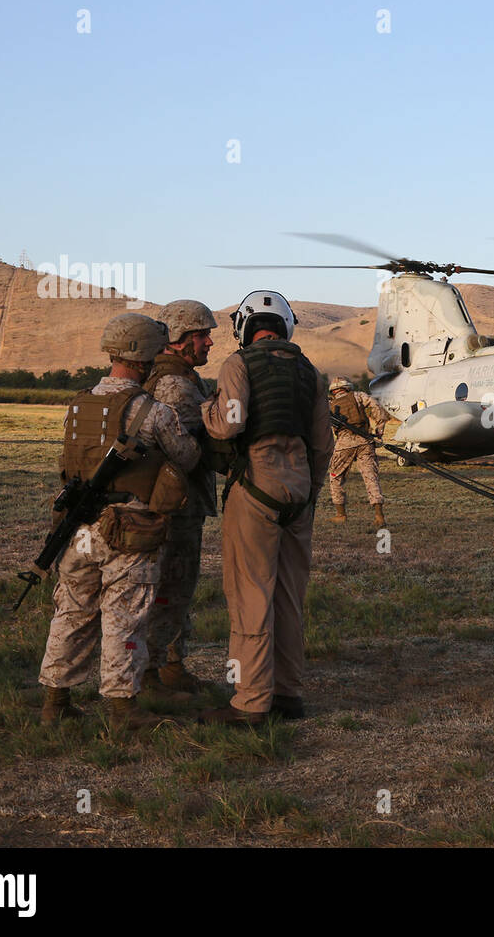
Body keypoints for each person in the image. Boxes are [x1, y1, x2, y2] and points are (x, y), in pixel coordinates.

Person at [38, 313, 201, 729]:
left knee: (71, 613)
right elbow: (187, 457)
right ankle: (122, 709)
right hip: (128, 528)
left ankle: (55, 703)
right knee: (124, 615)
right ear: (146, 356)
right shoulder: (153, 411)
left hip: (79, 528)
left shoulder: (78, 403)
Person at [200, 291, 332, 727]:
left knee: (251, 595)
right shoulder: (311, 373)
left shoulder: (239, 365)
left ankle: (251, 701)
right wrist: (311, 492)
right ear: (286, 326)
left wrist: (206, 410)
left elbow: (230, 422)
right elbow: (321, 444)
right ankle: (289, 695)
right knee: (290, 598)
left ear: (244, 327)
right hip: (299, 495)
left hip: (256, 491)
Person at [142, 300, 218, 694]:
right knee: (172, 586)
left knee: (175, 584)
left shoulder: (180, 378)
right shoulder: (175, 385)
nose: (209, 343)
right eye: (202, 335)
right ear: (177, 339)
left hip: (177, 501)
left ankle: (169, 664)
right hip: (175, 505)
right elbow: (185, 451)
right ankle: (155, 672)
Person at [327, 376, 392, 528]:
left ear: (333, 391)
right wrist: (380, 427)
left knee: (335, 477)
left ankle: (341, 515)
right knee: (371, 477)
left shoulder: (330, 405)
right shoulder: (358, 396)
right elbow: (375, 405)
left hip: (344, 444)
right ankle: (379, 516)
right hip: (365, 442)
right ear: (347, 387)